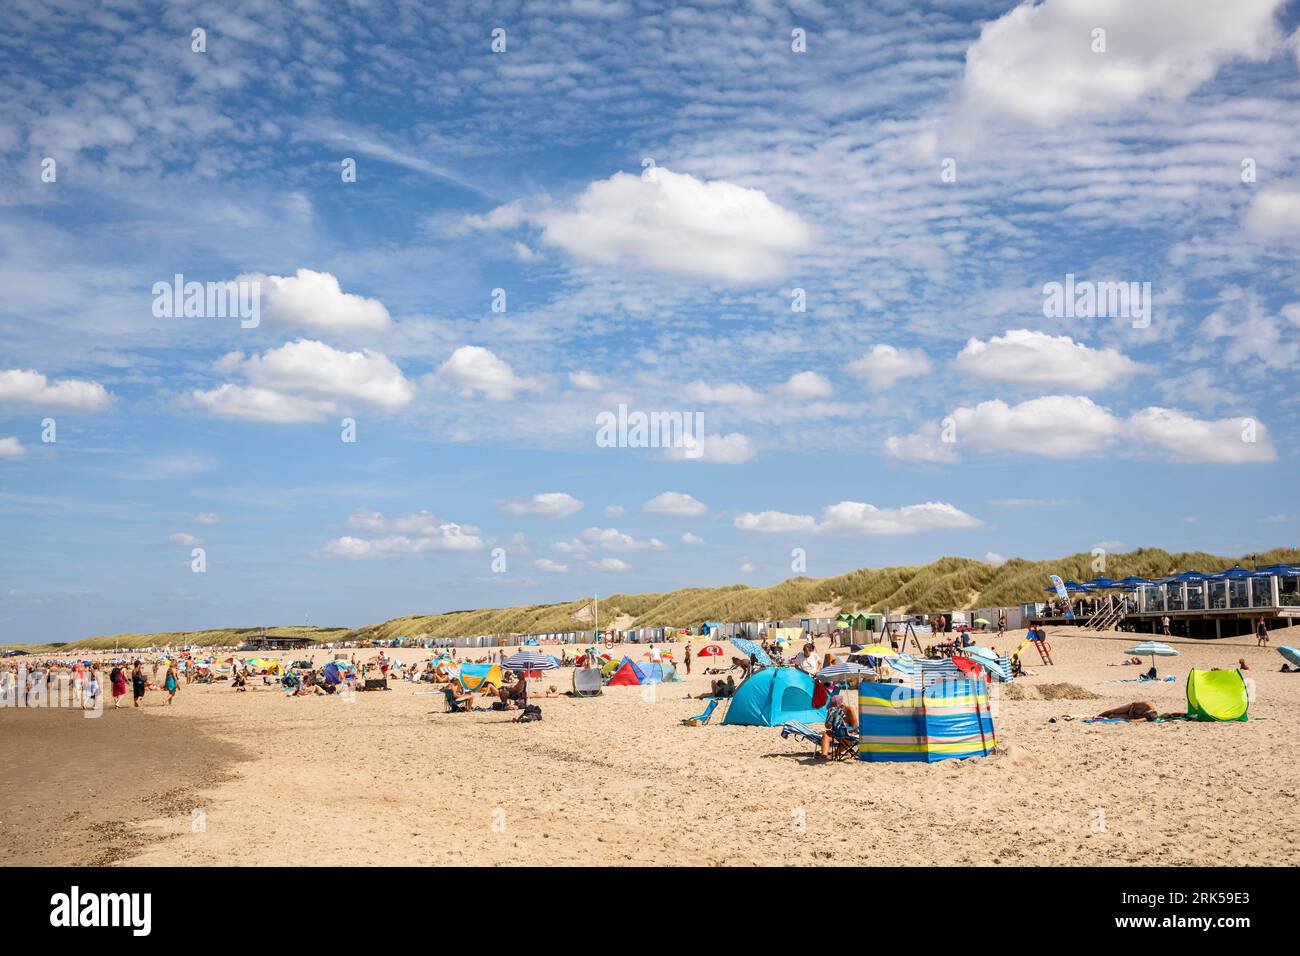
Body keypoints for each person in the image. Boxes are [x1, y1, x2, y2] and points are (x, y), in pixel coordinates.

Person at [819, 693, 858, 759]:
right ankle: (824, 755)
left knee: (848, 740)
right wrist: (829, 724)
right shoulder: (832, 711)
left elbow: (855, 727)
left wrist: (845, 729)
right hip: (836, 733)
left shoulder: (849, 710)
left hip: (847, 734)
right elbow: (827, 726)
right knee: (825, 734)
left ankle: (832, 755)